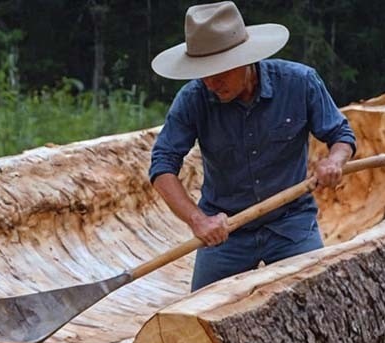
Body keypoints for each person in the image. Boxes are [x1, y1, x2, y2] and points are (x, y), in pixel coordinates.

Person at [148, 2, 357, 291]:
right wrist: (198, 221)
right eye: (203, 73)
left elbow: (341, 135)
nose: (211, 83)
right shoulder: (193, 99)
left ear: (245, 60)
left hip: (291, 224)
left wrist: (335, 160)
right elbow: (162, 166)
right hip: (225, 232)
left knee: (316, 306)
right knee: (199, 319)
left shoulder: (299, 83)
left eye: (219, 73)